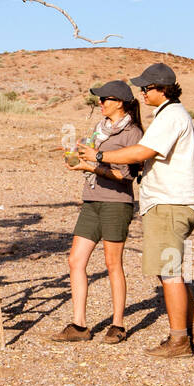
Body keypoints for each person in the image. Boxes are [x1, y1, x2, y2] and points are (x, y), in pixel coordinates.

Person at [79, 63, 194, 358]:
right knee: (169, 270)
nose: (143, 92)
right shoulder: (171, 115)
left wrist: (99, 155)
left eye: (146, 88)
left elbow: (142, 152)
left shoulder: (170, 116)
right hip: (174, 202)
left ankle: (179, 341)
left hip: (169, 203)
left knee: (168, 272)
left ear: (162, 89)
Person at [51, 80, 144, 344]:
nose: (100, 103)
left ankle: (118, 324)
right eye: (99, 99)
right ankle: (79, 325)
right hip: (91, 200)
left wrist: (90, 166)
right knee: (75, 261)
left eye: (105, 99)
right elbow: (91, 155)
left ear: (121, 102)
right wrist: (77, 157)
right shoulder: (99, 129)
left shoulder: (132, 133)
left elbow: (124, 176)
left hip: (117, 203)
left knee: (112, 264)